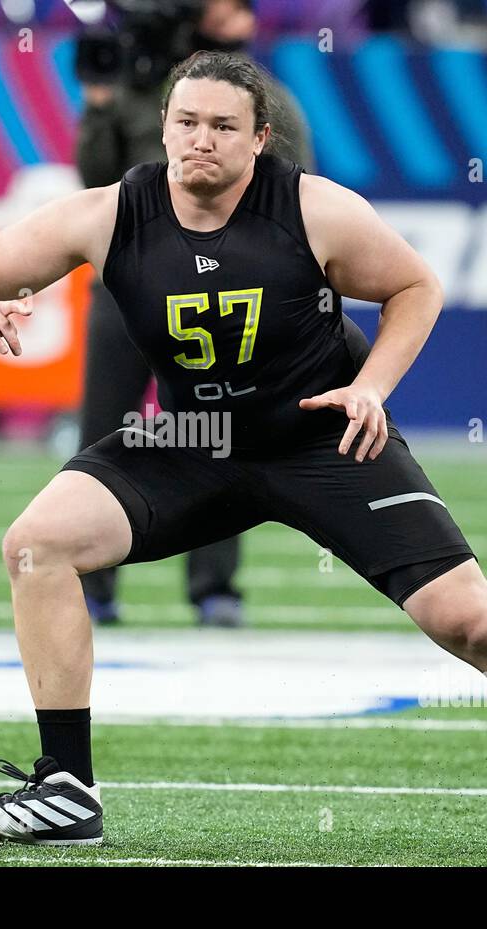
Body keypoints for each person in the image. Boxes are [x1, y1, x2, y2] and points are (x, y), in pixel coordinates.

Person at [0, 51, 487, 861]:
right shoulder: (111, 213)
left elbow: (416, 288)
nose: (200, 140)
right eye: (186, 121)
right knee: (37, 544)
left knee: (476, 625)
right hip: (194, 442)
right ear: (164, 125)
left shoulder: (311, 208)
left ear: (260, 139)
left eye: (222, 126)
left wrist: (371, 388)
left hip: (323, 437)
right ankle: (67, 791)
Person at [73, 0, 315, 627]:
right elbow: (94, 184)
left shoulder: (263, 100)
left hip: (221, 302)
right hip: (127, 292)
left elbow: (297, 192)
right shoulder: (144, 93)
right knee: (103, 433)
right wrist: (100, 107)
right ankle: (92, 586)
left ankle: (214, 589)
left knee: (218, 438)